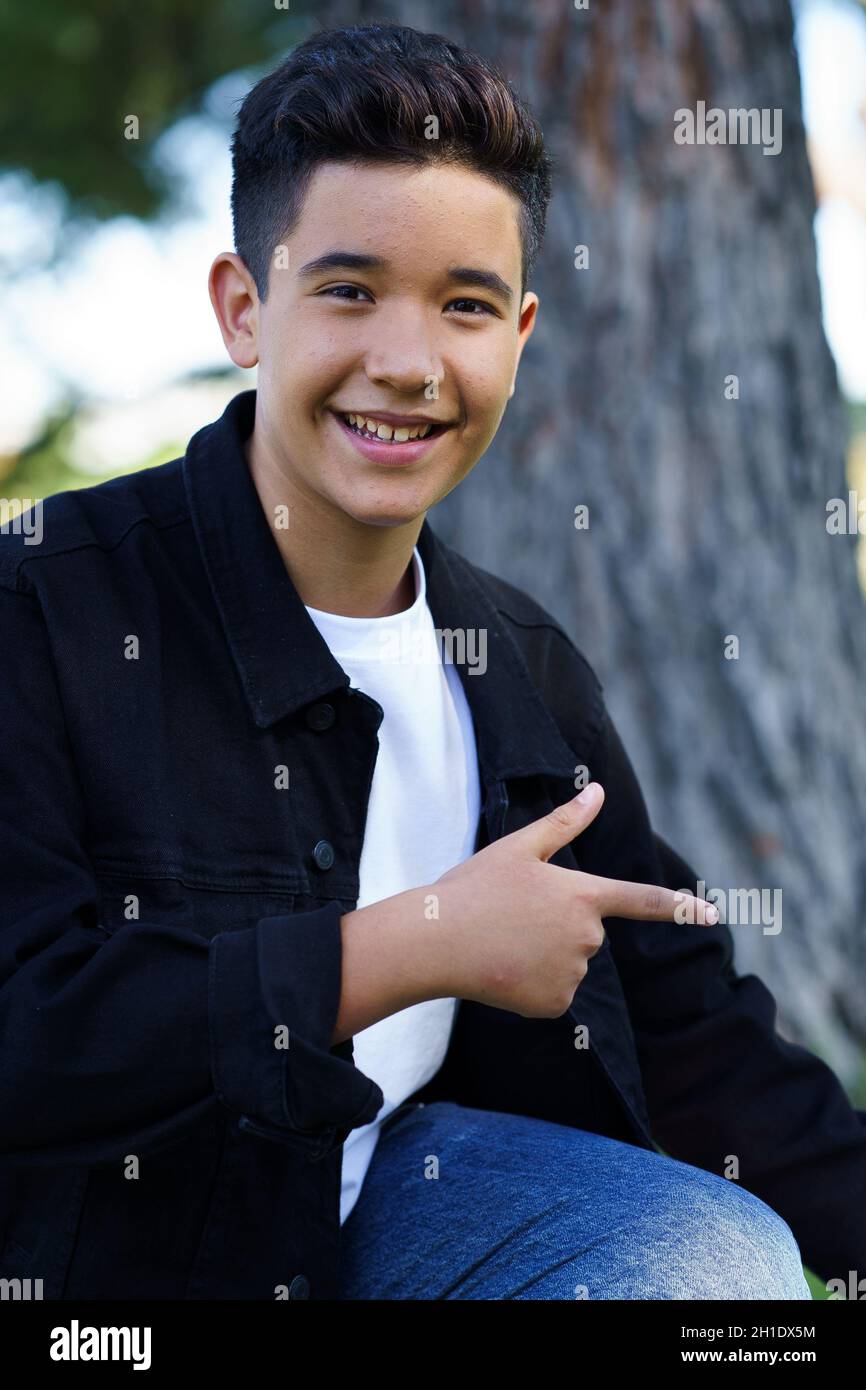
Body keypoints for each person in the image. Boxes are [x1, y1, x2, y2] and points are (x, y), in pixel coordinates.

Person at [0, 22, 860, 1302]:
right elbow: (29, 1029)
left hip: (376, 1200)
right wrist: (414, 944)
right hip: (98, 1272)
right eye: (347, 290)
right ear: (246, 307)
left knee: (709, 1263)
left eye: (462, 305)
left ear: (517, 334)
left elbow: (692, 1038)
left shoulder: (513, 659)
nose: (406, 365)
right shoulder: (46, 600)